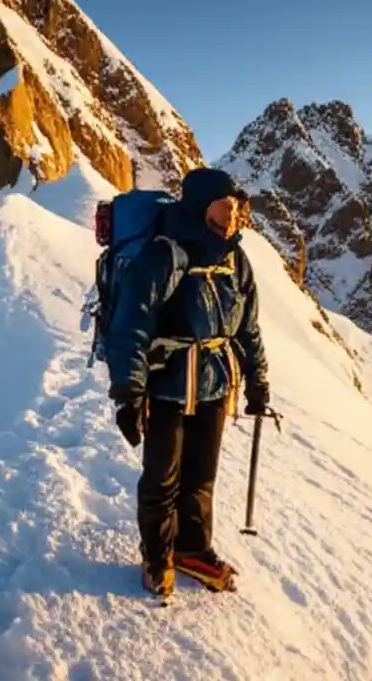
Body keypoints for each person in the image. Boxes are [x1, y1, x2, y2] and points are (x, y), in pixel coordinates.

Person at [105, 168, 271, 598]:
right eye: (225, 206)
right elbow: (132, 323)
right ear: (201, 205)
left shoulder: (235, 259)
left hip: (214, 384)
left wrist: (258, 380)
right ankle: (157, 557)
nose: (233, 216)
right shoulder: (167, 252)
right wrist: (128, 392)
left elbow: (248, 327)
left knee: (201, 476)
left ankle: (192, 548)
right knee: (163, 476)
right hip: (167, 385)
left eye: (237, 208)